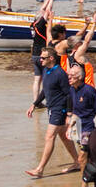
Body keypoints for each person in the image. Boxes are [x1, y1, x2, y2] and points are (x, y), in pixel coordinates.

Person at [26, 47, 80, 177]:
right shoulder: (46, 70)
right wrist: (35, 104)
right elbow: (45, 90)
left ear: (51, 58)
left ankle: (40, 169)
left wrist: (68, 114)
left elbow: (68, 94)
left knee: (49, 137)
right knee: (64, 137)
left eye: (43, 58)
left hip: (59, 109)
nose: (40, 60)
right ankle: (78, 162)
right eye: (40, 57)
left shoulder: (60, 73)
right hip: (51, 108)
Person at [66, 63, 96, 187]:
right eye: (68, 75)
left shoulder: (89, 91)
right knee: (88, 159)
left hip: (90, 128)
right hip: (79, 127)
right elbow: (76, 110)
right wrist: (70, 124)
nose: (68, 77)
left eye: (71, 75)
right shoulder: (72, 90)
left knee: (82, 158)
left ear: (79, 77)